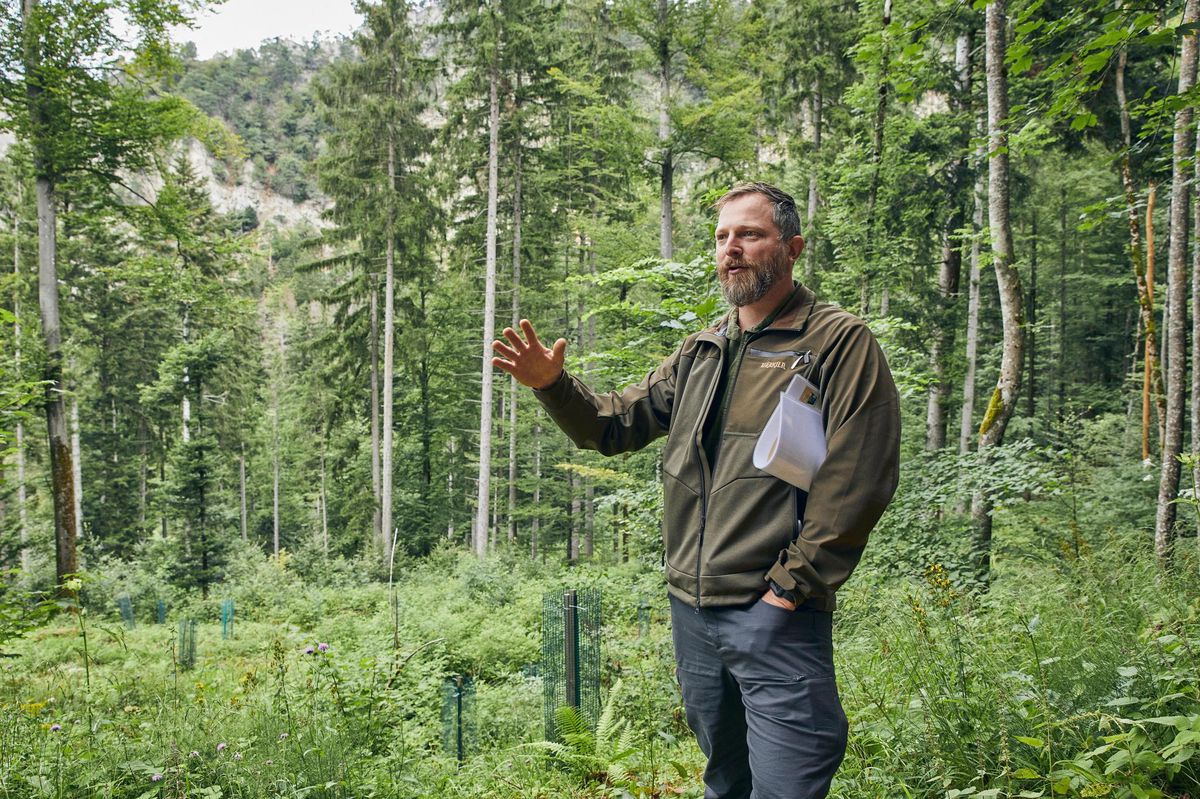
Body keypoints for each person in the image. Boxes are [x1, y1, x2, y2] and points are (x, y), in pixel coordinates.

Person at [492, 182, 900, 799]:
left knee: (788, 785)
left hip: (775, 614)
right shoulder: (702, 350)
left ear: (792, 248)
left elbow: (857, 483)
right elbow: (612, 426)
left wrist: (788, 593)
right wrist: (554, 386)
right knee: (726, 781)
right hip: (694, 615)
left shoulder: (837, 344)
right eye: (722, 237)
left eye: (750, 235)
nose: (731, 249)